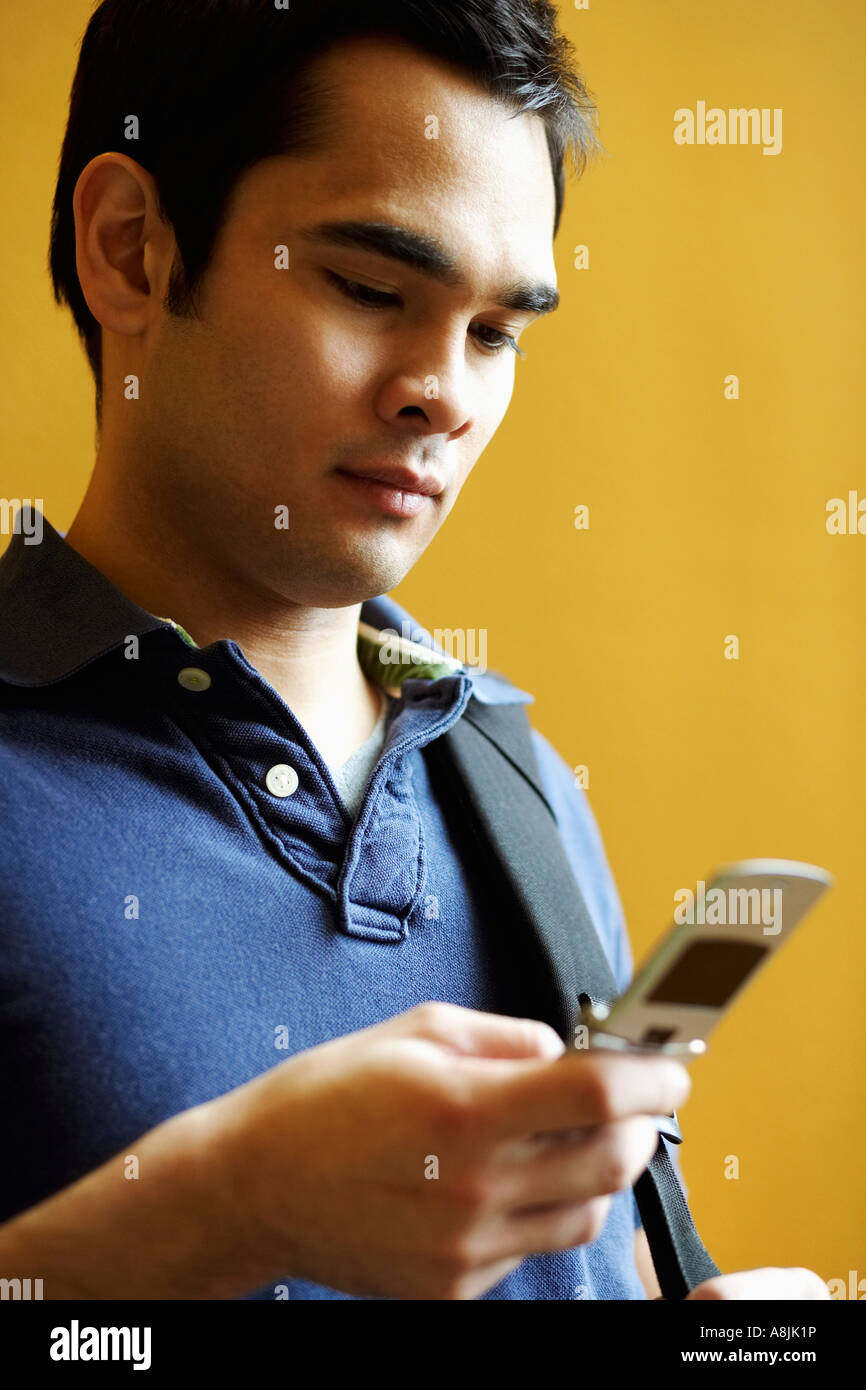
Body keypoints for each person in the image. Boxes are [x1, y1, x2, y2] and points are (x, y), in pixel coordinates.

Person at [0, 0, 827, 1301]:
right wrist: (223, 1208)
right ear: (132, 251)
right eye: (371, 287)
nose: (444, 391)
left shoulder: (528, 796)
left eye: (497, 332)